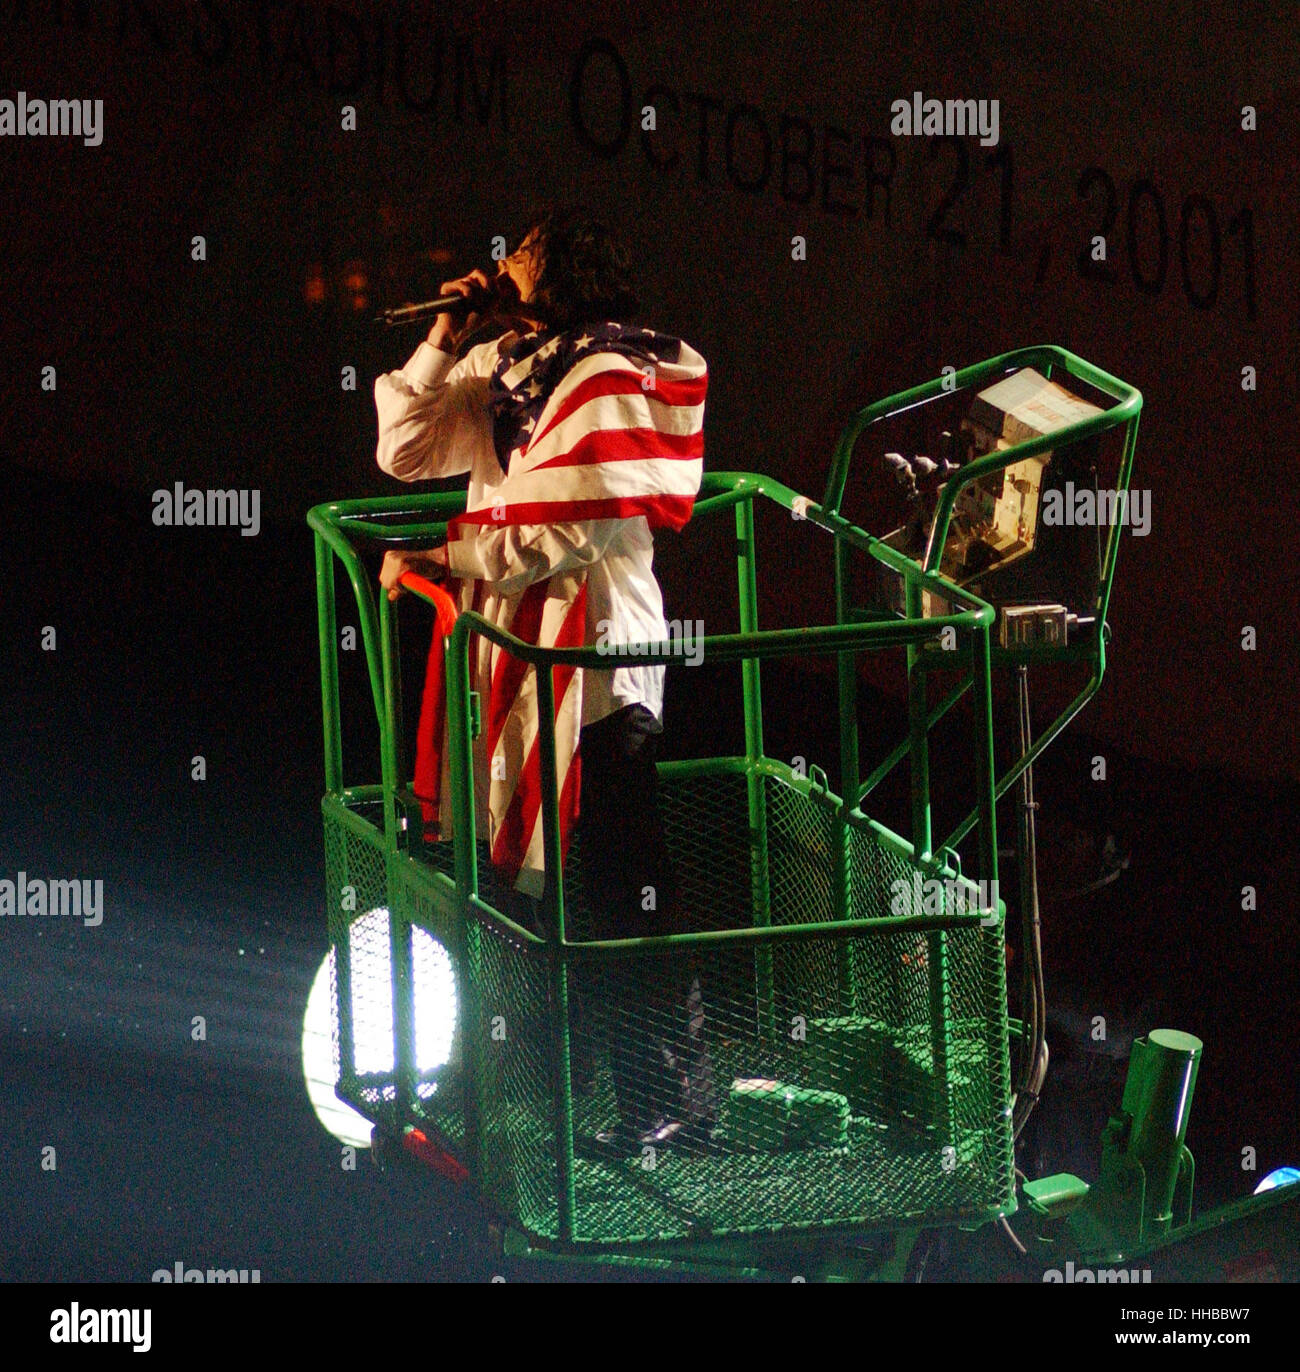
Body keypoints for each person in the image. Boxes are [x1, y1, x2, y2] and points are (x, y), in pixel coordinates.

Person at [373, 206, 716, 1151]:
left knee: (623, 897)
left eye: (518, 258)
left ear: (558, 273)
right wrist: (447, 337)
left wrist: (448, 557)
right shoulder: (506, 368)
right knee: (538, 900)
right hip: (521, 666)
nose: (502, 269)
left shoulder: (614, 375)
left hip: (598, 667)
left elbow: (564, 533)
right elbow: (400, 452)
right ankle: (563, 1099)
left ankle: (670, 1105)